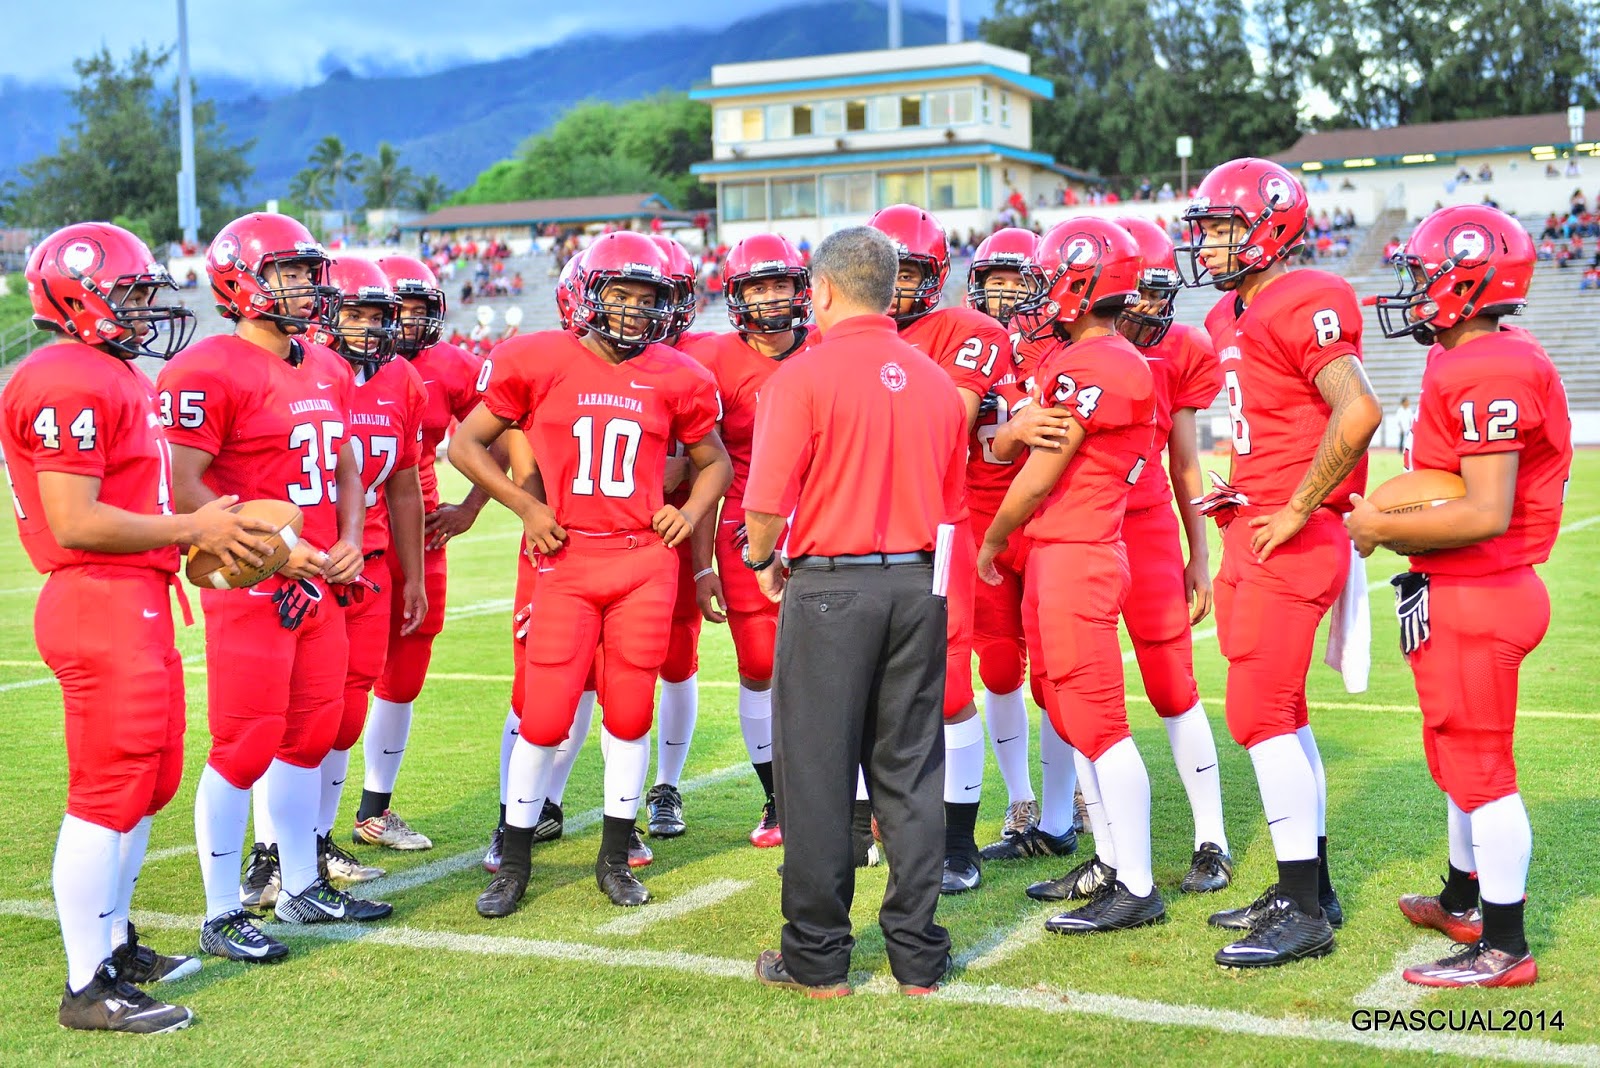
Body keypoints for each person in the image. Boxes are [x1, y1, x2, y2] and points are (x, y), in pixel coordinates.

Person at [2, 222, 277, 1032]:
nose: (144, 310)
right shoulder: (64, 375)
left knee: (148, 780)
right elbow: (76, 520)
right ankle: (88, 987)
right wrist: (191, 531)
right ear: (74, 293)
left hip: (136, 596)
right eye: (127, 294)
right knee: (108, 787)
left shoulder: (105, 372)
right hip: (97, 595)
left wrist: (194, 536)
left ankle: (114, 945)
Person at [450, 230, 731, 916]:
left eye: (649, 299)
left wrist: (689, 511)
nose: (636, 311)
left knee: (630, 715)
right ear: (586, 295)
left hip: (642, 560)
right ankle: (512, 858)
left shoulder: (680, 373)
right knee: (544, 717)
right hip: (567, 558)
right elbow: (465, 444)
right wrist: (523, 505)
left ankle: (614, 854)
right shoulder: (535, 358)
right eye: (622, 295)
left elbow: (714, 461)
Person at [159, 212, 392, 964]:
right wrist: (283, 549)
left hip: (319, 582)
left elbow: (349, 467)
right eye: (288, 272)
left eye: (307, 272)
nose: (306, 287)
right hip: (253, 584)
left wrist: (351, 538)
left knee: (308, 737)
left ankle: (298, 884)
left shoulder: (325, 364)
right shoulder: (205, 368)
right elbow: (184, 486)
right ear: (238, 279)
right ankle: (222, 910)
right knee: (244, 743)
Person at [742, 225, 965, 998]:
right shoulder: (936, 381)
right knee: (909, 771)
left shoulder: (800, 377)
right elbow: (952, 506)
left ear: (824, 290)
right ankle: (918, 958)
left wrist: (758, 559)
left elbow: (765, 506)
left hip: (832, 585)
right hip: (919, 582)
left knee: (815, 773)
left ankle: (817, 957)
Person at [1354, 203, 1571, 987]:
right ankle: (1463, 897)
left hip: (1484, 590)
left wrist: (1380, 522)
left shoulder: (1488, 366)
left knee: (1482, 767)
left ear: (1470, 277)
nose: (1413, 289)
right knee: (1453, 756)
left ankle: (1503, 945)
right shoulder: (1467, 355)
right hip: (1455, 589)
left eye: (1423, 273)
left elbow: (1484, 511)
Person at [1177, 158, 1382, 968]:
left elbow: (1357, 408)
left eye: (1226, 227)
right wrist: (1246, 485)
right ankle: (1312, 885)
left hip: (1290, 541)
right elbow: (1270, 420)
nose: (1213, 243)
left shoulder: (1306, 295)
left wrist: (1297, 504)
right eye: (1211, 229)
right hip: (1254, 527)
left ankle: (1302, 909)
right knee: (1283, 716)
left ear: (1272, 224)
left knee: (1258, 716)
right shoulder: (1235, 312)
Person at [977, 217, 1165, 935]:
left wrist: (992, 543)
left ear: (1085, 282)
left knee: (1101, 724)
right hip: (1063, 550)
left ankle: (1138, 883)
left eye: (1051, 275)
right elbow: (1004, 450)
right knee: (1071, 717)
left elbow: (1032, 477)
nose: (1039, 291)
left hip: (1079, 551)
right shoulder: (1077, 359)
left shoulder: (1105, 363)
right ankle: (1113, 863)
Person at [1041, 215, 1228, 895]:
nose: (1147, 307)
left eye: (1157, 291)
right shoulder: (1065, 343)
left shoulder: (1178, 348)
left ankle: (1212, 837)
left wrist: (1197, 554)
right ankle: (1108, 849)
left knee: (1173, 684)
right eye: (1137, 290)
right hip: (1080, 529)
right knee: (1074, 693)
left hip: (1144, 529)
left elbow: (1185, 463)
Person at [869, 203, 1010, 895]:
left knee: (951, 690)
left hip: (938, 529)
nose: (893, 287)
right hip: (858, 529)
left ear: (934, 275)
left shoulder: (968, 331)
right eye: (883, 272)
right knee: (865, 686)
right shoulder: (840, 338)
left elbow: (944, 419)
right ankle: (872, 820)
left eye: (908, 272)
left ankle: (959, 842)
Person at [677, 233, 820, 848]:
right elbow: (707, 468)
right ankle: (776, 797)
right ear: (737, 295)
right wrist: (701, 564)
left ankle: (849, 799)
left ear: (801, 289)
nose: (770, 298)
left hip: (825, 525)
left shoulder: (829, 349)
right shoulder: (712, 361)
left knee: (835, 668)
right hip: (745, 529)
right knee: (760, 666)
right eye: (757, 286)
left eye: (780, 284)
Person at [359, 255, 494, 853]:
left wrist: (470, 507)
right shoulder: (328, 364)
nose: (408, 321)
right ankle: (287, 841)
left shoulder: (451, 367)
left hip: (420, 530)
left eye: (419, 308)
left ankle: (373, 807)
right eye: (397, 307)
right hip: (349, 533)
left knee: (403, 675)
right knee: (328, 681)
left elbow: (509, 437)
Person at [311, 257, 429, 885]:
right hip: (303, 564)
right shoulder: (305, 369)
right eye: (353, 312)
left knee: (347, 713)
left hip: (373, 562)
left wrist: (413, 576)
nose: (366, 327)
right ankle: (276, 851)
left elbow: (404, 485)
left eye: (377, 315)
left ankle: (319, 839)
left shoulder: (402, 378)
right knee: (301, 713)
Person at [958, 227, 1062, 858]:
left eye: (1017, 281)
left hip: (1046, 516)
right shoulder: (961, 348)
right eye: (992, 281)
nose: (1003, 295)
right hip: (977, 516)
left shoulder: (1061, 349)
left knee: (1055, 671)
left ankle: (1063, 796)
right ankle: (1021, 797)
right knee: (997, 666)